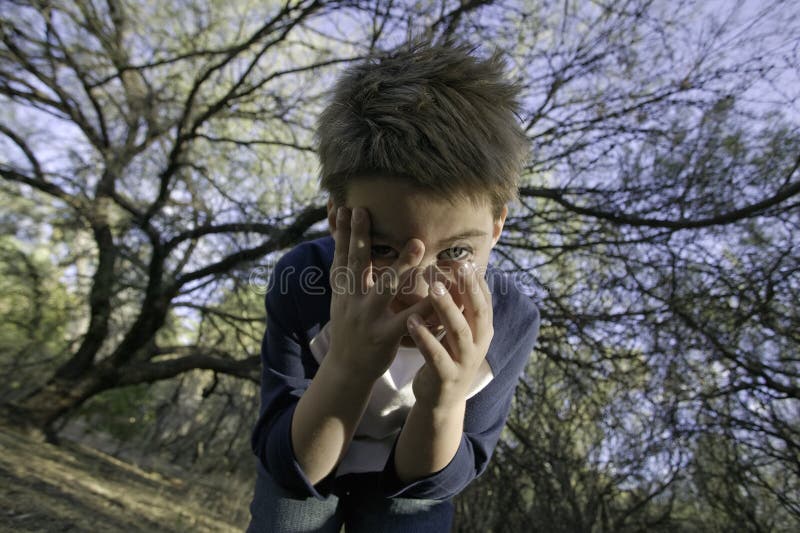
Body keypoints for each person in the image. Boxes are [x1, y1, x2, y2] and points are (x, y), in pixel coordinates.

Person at [247, 39, 540, 532]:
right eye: (384, 250)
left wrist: (442, 402)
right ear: (339, 223)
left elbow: (442, 478)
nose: (420, 290)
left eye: (456, 253)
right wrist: (348, 365)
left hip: (410, 483)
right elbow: (290, 463)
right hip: (309, 450)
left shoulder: (509, 321)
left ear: (495, 229)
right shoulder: (306, 281)